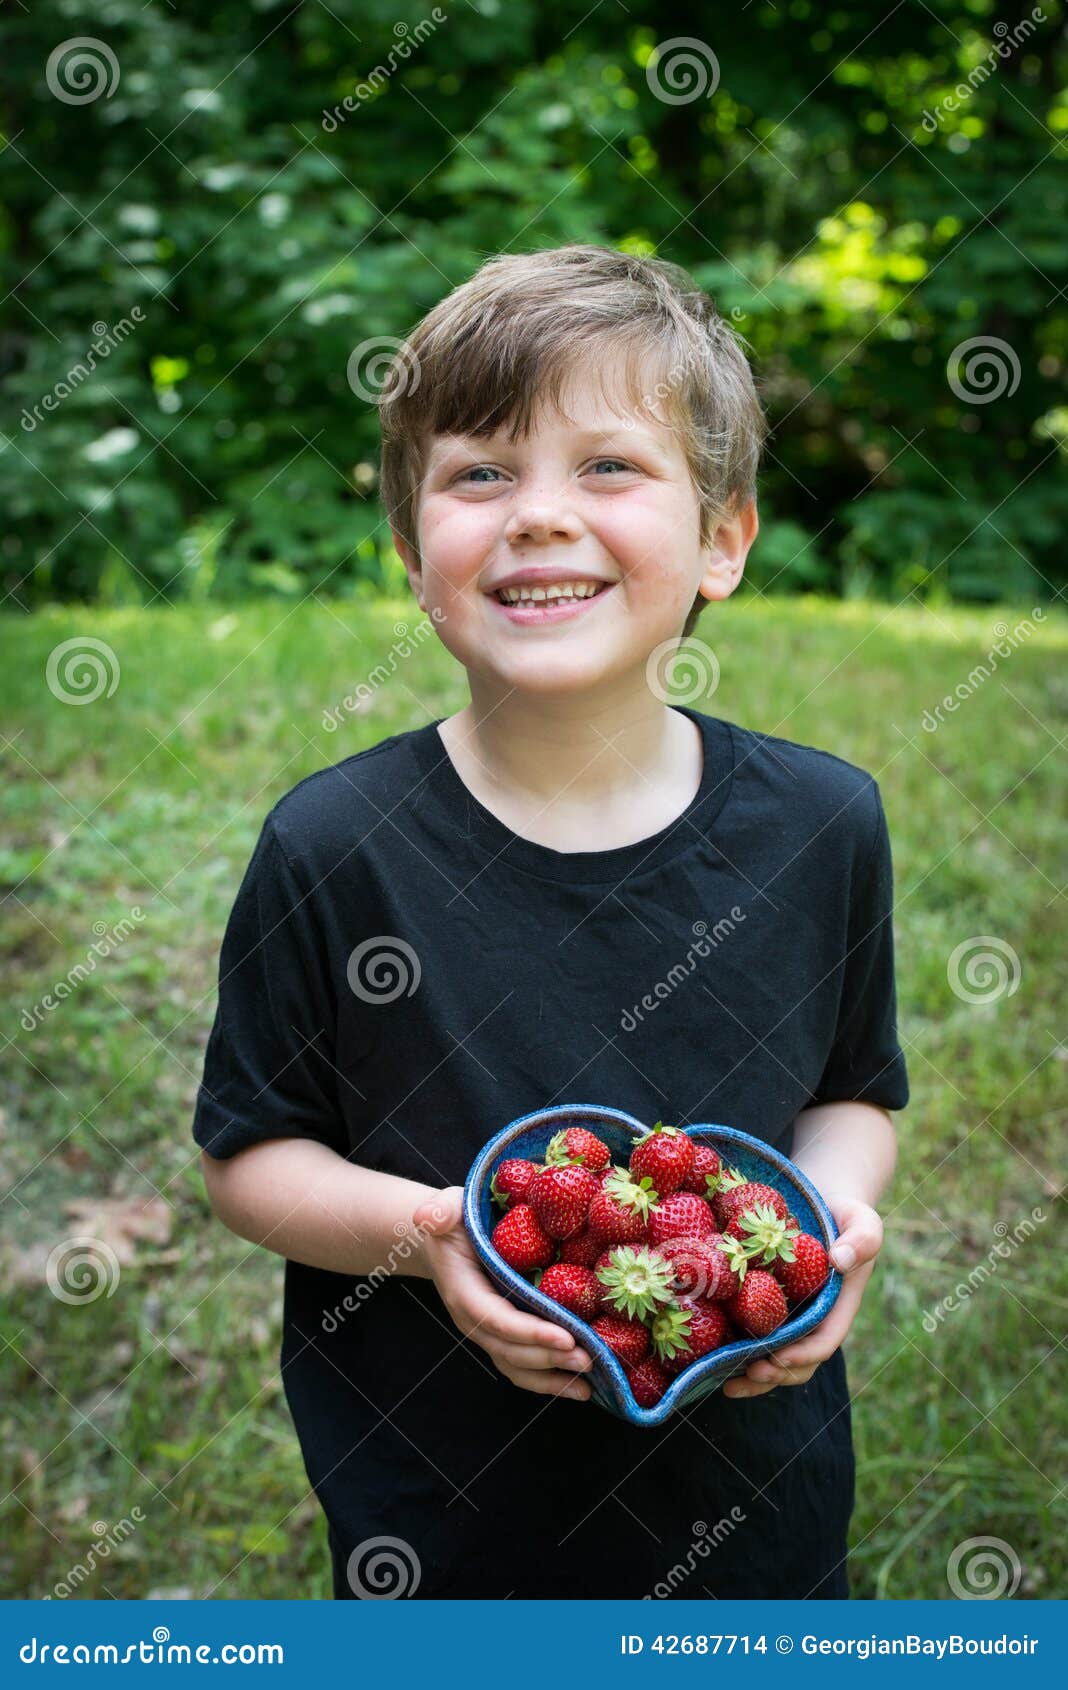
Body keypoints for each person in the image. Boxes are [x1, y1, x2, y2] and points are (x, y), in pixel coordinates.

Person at [191, 244, 908, 1600]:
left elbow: (855, 1092)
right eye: (479, 473)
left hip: (756, 1502)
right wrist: (434, 1230)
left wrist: (831, 1221)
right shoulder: (335, 846)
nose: (537, 516)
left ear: (726, 537)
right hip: (447, 1528)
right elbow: (249, 1160)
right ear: (412, 556)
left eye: (608, 466)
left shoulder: (822, 824)